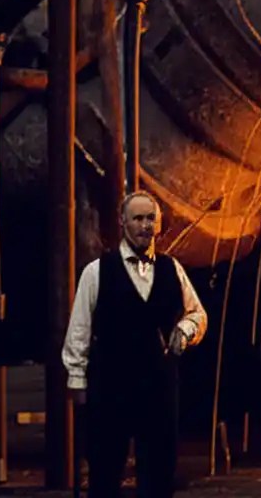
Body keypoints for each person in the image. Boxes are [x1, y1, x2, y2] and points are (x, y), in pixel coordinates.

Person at [62, 191, 208, 498]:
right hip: (111, 384)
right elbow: (79, 330)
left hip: (159, 385)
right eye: (137, 218)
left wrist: (185, 328)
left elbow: (197, 313)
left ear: (158, 224)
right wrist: (77, 380)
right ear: (123, 223)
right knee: (105, 470)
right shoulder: (97, 272)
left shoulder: (171, 268)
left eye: (150, 218)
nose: (144, 225)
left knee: (159, 471)